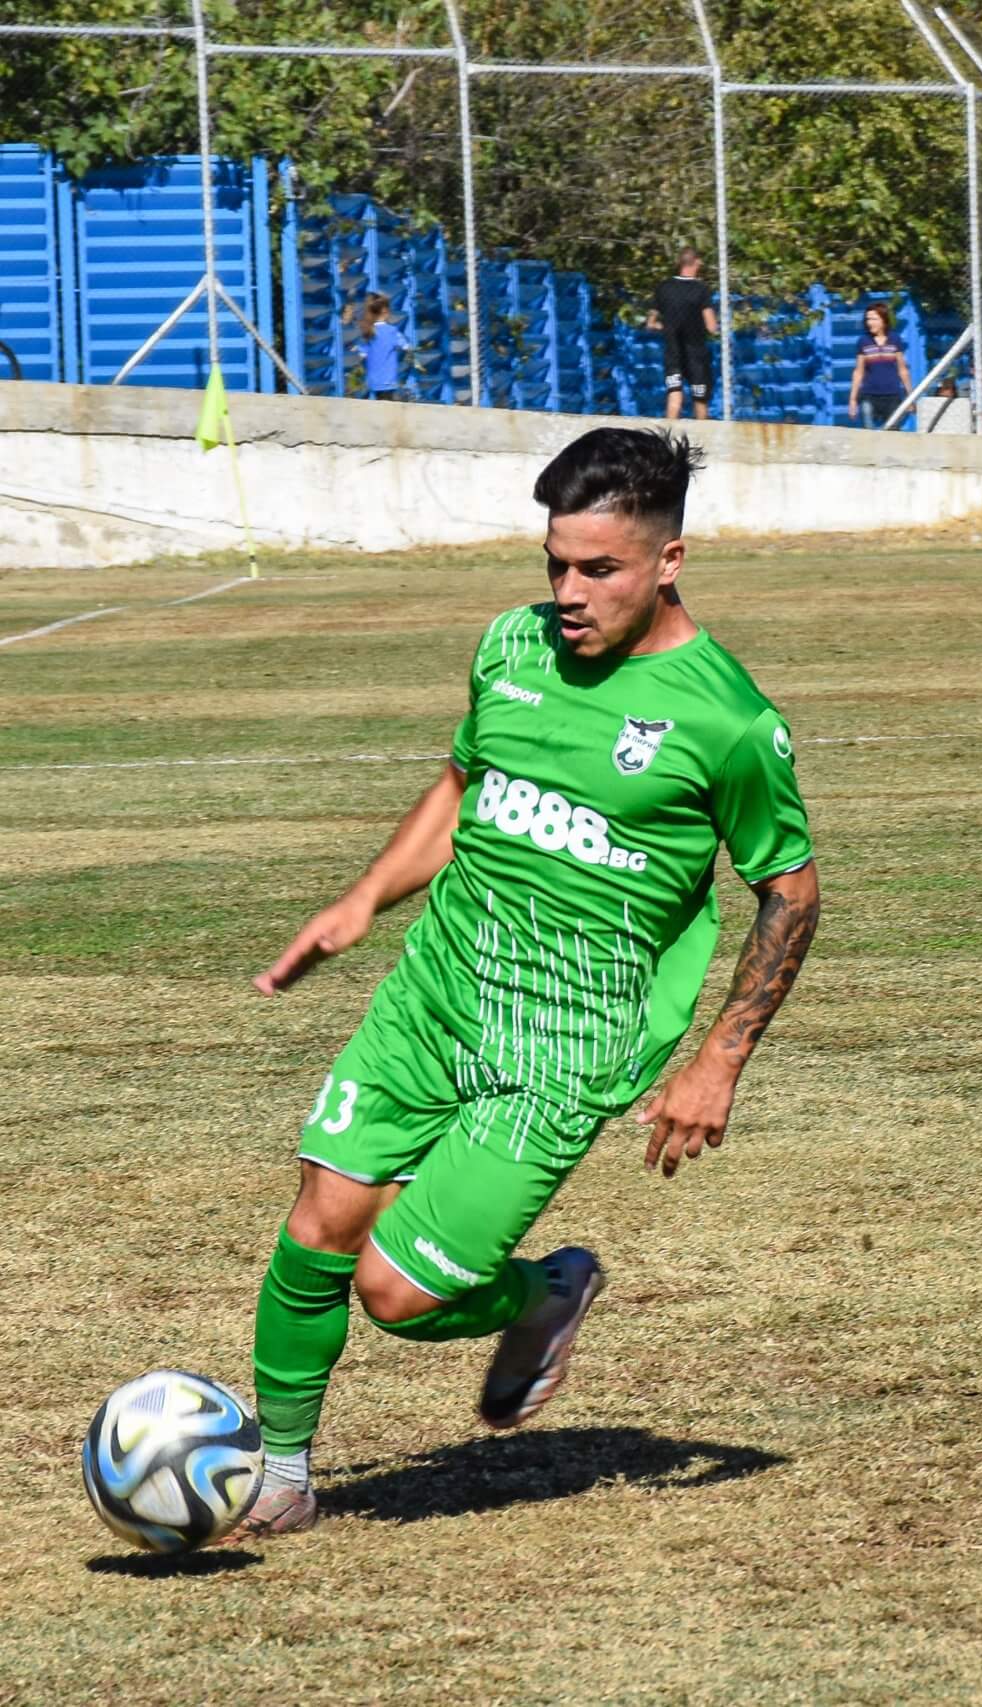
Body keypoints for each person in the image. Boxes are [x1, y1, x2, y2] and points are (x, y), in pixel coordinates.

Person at [235, 427, 821, 1533]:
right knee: (319, 1225)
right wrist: (365, 899)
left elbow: (790, 891)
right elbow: (465, 786)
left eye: (599, 569)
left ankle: (544, 1293)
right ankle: (278, 1477)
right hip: (434, 996)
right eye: (555, 563)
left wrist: (718, 1063)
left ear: (668, 561)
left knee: (398, 1296)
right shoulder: (511, 648)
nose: (568, 591)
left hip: (563, 1044)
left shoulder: (729, 720)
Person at [645, 250, 717, 422]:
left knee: (675, 396)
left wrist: (667, 327)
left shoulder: (663, 287)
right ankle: (703, 440)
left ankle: (668, 438)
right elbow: (711, 326)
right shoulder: (701, 289)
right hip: (696, 353)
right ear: (696, 263)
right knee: (700, 401)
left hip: (673, 352)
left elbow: (650, 323)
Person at [848, 303, 910, 430]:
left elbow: (902, 370)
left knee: (893, 433)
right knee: (868, 434)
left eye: (874, 319)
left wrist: (910, 396)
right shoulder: (863, 341)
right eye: (868, 319)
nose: (870, 322)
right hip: (869, 395)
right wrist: (852, 400)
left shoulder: (895, 339)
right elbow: (858, 372)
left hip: (892, 395)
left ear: (884, 320)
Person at [358, 294, 410, 403]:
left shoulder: (368, 332)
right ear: (385, 311)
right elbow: (406, 347)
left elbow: (362, 356)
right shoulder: (392, 331)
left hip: (373, 381)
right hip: (388, 380)